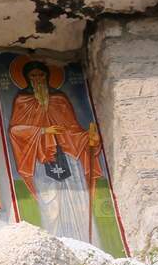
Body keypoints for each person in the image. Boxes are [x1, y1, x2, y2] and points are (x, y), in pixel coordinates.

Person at [7, 59, 99, 243]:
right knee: (51, 205)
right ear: (26, 78)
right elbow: (15, 130)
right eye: (33, 76)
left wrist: (88, 138)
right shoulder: (22, 100)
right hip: (41, 159)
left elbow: (72, 129)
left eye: (41, 75)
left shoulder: (60, 99)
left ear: (48, 76)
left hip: (69, 158)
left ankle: (85, 244)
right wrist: (42, 131)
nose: (38, 79)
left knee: (77, 201)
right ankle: (54, 241)